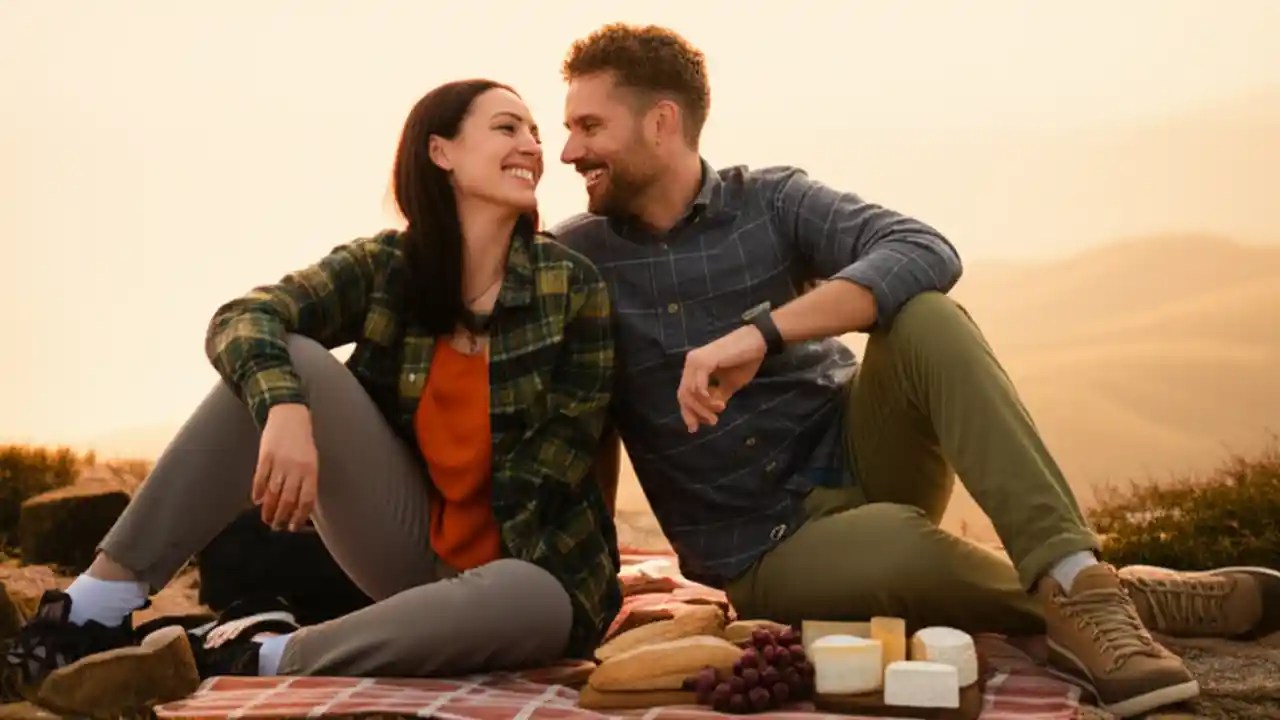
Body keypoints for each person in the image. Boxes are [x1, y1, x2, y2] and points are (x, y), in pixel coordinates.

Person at [548, 22, 1279, 719]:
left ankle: (1079, 587)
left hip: (864, 456)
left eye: (588, 127)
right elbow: (581, 422)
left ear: (661, 122)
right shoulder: (576, 260)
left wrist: (761, 335)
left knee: (926, 315)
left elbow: (923, 248)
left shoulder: (769, 200)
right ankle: (1103, 595)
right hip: (766, 550)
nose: (568, 151)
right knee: (904, 549)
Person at [1, 78, 621, 717]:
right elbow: (245, 316)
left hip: (525, 573)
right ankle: (90, 609)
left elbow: (548, 479)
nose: (534, 146)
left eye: (535, 133)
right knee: (290, 357)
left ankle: (256, 651)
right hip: (409, 544)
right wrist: (287, 413)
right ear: (442, 152)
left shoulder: (570, 287)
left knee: (533, 593)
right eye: (507, 127)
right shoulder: (388, 267)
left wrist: (469, 599)